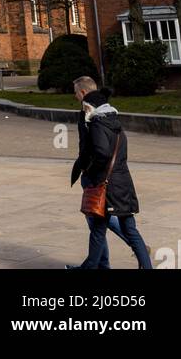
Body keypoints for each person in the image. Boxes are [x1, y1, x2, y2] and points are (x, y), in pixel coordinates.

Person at [67, 76, 152, 270]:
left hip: (104, 185)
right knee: (128, 229)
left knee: (98, 230)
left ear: (84, 96)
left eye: (76, 93)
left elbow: (101, 153)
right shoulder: (115, 122)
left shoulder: (96, 123)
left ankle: (93, 268)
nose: (75, 97)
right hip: (123, 182)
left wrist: (91, 174)